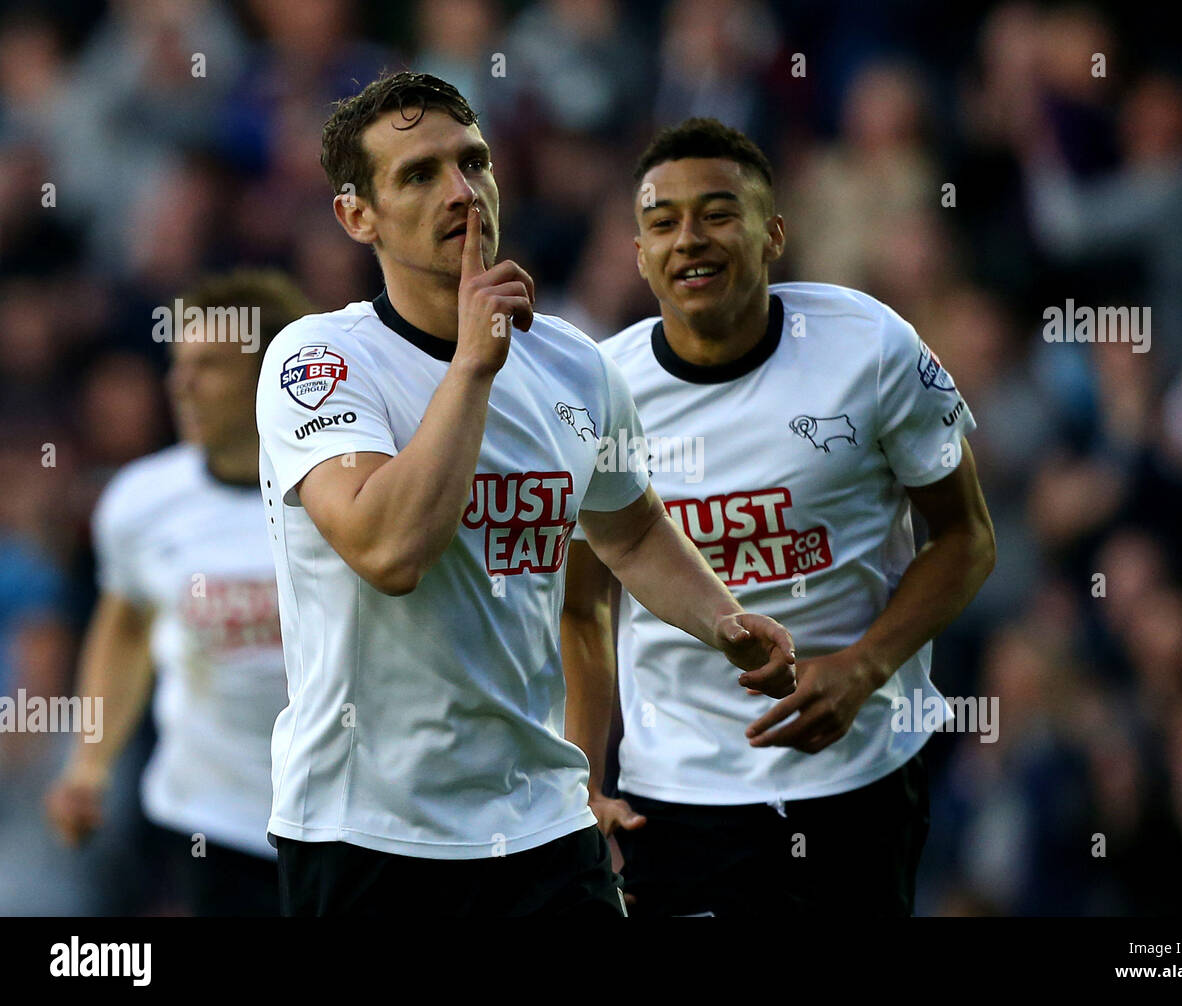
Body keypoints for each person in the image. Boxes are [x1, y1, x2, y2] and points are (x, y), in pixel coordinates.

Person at [256, 73, 796, 918]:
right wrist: (473, 365)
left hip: (542, 819)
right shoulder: (318, 361)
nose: (461, 191)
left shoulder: (577, 365)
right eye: (419, 174)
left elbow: (629, 529)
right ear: (357, 216)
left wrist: (723, 619)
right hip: (369, 831)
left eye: (473, 162)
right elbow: (388, 551)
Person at [563, 118, 997, 917]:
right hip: (678, 792)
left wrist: (865, 666)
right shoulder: (599, 390)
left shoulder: (871, 347)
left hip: (860, 775)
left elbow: (967, 538)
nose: (689, 239)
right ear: (640, 255)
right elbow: (582, 606)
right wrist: (584, 781)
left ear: (774, 235)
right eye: (663, 222)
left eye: (718, 213)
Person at [46, 270, 314, 916]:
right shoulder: (142, 501)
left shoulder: (351, 493)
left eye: (210, 366)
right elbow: (128, 626)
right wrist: (89, 764)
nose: (181, 384)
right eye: (178, 364)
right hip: (210, 818)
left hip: (346, 818)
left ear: (275, 374)